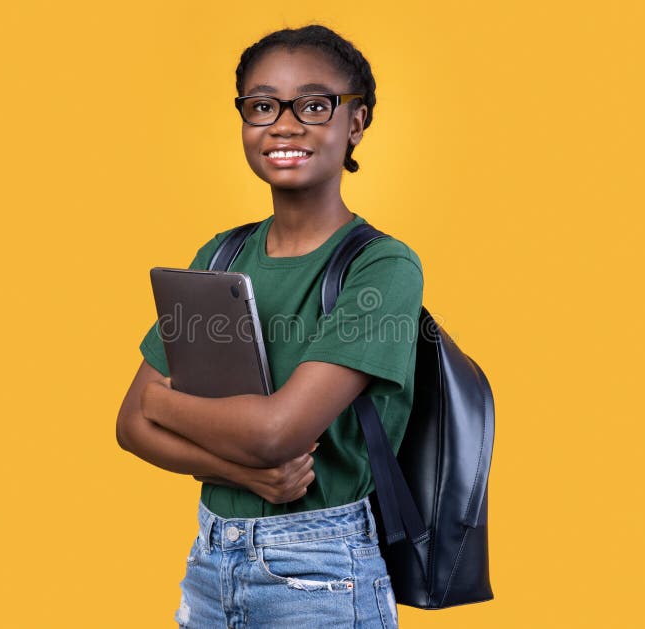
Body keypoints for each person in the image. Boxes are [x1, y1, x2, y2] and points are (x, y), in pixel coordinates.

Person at [116, 24, 423, 628]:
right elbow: (130, 426)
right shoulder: (220, 257)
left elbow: (277, 433)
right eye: (262, 106)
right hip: (210, 562)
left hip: (322, 568)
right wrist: (239, 471)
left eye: (314, 104)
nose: (284, 124)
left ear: (356, 123)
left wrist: (162, 399)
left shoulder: (381, 267)